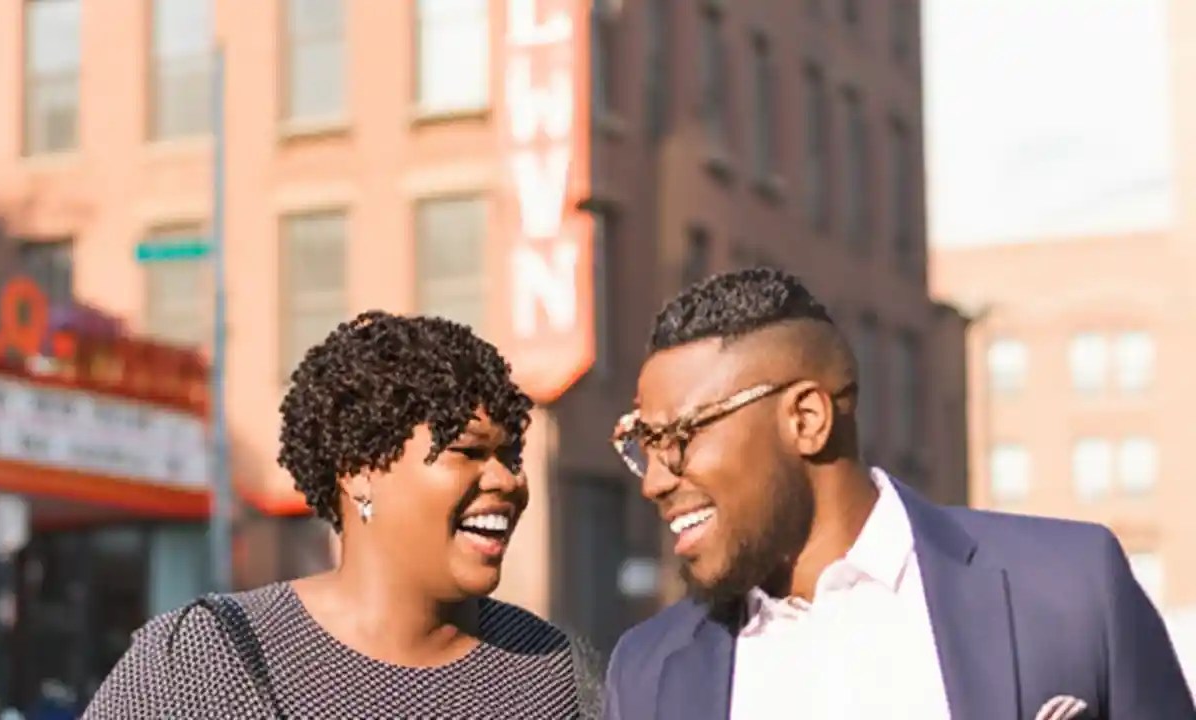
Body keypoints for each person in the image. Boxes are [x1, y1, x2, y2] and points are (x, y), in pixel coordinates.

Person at [601, 268, 1194, 719]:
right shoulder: (648, 674)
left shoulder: (1067, 590)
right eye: (643, 443)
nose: (655, 479)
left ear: (806, 419)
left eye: (678, 436)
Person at [84, 311, 601, 718]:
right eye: (467, 451)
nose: (507, 480)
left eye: (510, 457)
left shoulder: (555, 677)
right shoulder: (210, 661)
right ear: (359, 471)